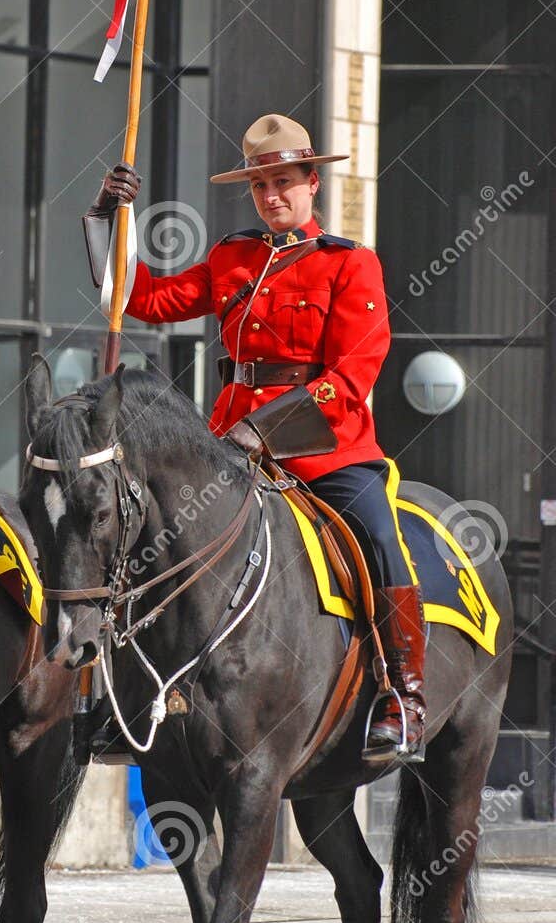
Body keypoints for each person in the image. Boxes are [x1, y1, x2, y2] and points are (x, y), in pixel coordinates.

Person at [85, 112, 425, 758]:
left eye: (283, 183)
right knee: (149, 540)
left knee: (379, 538)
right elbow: (139, 299)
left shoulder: (350, 265)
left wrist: (261, 430)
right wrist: (107, 219)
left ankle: (401, 693)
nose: (271, 197)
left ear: (310, 184)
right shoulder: (232, 257)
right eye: (260, 186)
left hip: (325, 450)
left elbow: (350, 376)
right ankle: (128, 696)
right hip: (228, 450)